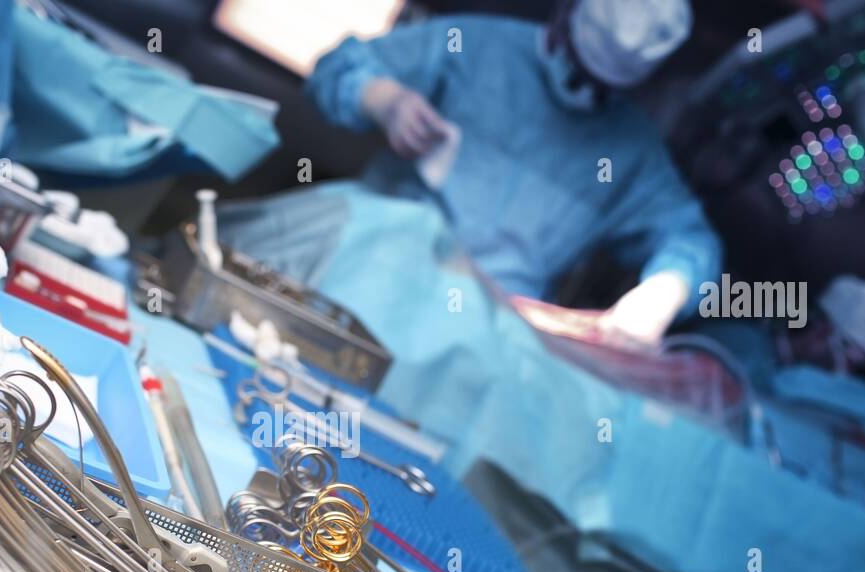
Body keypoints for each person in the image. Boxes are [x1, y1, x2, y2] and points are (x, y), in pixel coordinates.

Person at [306, 0, 720, 348]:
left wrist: (666, 291)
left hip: (483, 343)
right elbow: (336, 66)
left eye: (599, 86)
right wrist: (381, 99)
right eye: (576, 65)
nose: (581, 90)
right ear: (565, 14)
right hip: (365, 277)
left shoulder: (631, 153)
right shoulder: (476, 47)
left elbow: (690, 239)